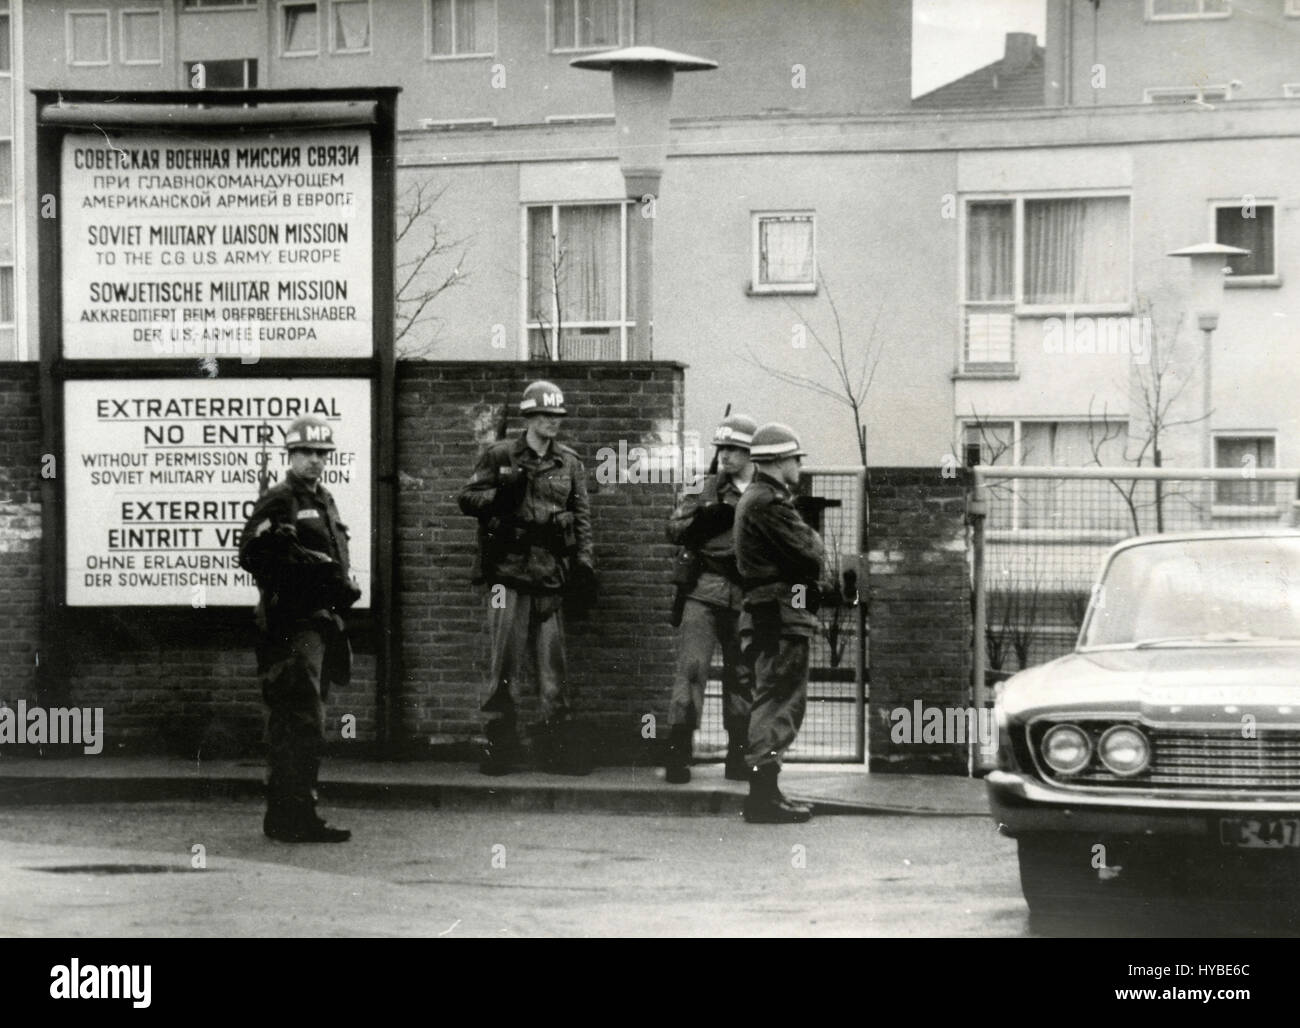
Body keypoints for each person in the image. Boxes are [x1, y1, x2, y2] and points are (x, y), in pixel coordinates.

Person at [457, 380, 595, 776]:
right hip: (508, 574)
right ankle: (500, 744)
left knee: (554, 667)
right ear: (530, 417)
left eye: (557, 416)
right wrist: (499, 498)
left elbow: (582, 517)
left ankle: (555, 746)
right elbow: (467, 498)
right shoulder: (500, 455)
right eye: (546, 416)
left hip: (550, 573)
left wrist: (585, 565)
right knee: (505, 662)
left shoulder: (568, 462)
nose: (553, 423)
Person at [238, 415, 360, 843]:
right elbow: (250, 554)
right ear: (291, 454)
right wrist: (280, 552)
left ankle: (298, 811)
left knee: (309, 719)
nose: (315, 461)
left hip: (319, 623)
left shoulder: (324, 499)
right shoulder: (279, 498)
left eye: (321, 453)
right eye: (307, 453)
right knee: (295, 720)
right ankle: (290, 816)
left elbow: (331, 556)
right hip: (289, 625)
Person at [734, 422, 826, 824]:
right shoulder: (769, 502)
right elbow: (811, 552)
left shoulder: (759, 497)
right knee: (778, 700)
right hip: (779, 612)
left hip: (771, 610)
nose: (799, 466)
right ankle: (762, 797)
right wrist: (812, 541)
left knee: (776, 698)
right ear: (778, 460)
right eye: (795, 459)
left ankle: (767, 792)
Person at [662, 414, 758, 784]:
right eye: (722, 448)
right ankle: (678, 752)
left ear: (751, 453)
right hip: (704, 590)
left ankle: (739, 754)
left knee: (742, 676)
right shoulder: (704, 487)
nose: (726, 456)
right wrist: (703, 520)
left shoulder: (761, 492)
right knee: (692, 670)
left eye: (734, 449)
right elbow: (673, 528)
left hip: (745, 596)